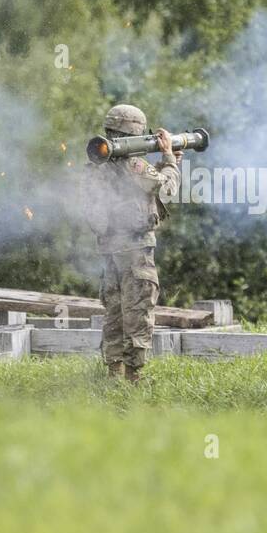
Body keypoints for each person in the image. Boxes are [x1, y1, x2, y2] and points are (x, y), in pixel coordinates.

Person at [84, 104, 180, 382]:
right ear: (135, 131)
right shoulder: (134, 164)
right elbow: (167, 188)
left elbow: (146, 188)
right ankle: (134, 377)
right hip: (135, 250)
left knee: (114, 311)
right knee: (138, 310)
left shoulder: (97, 166)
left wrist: (169, 162)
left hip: (110, 249)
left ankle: (115, 372)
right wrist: (169, 159)